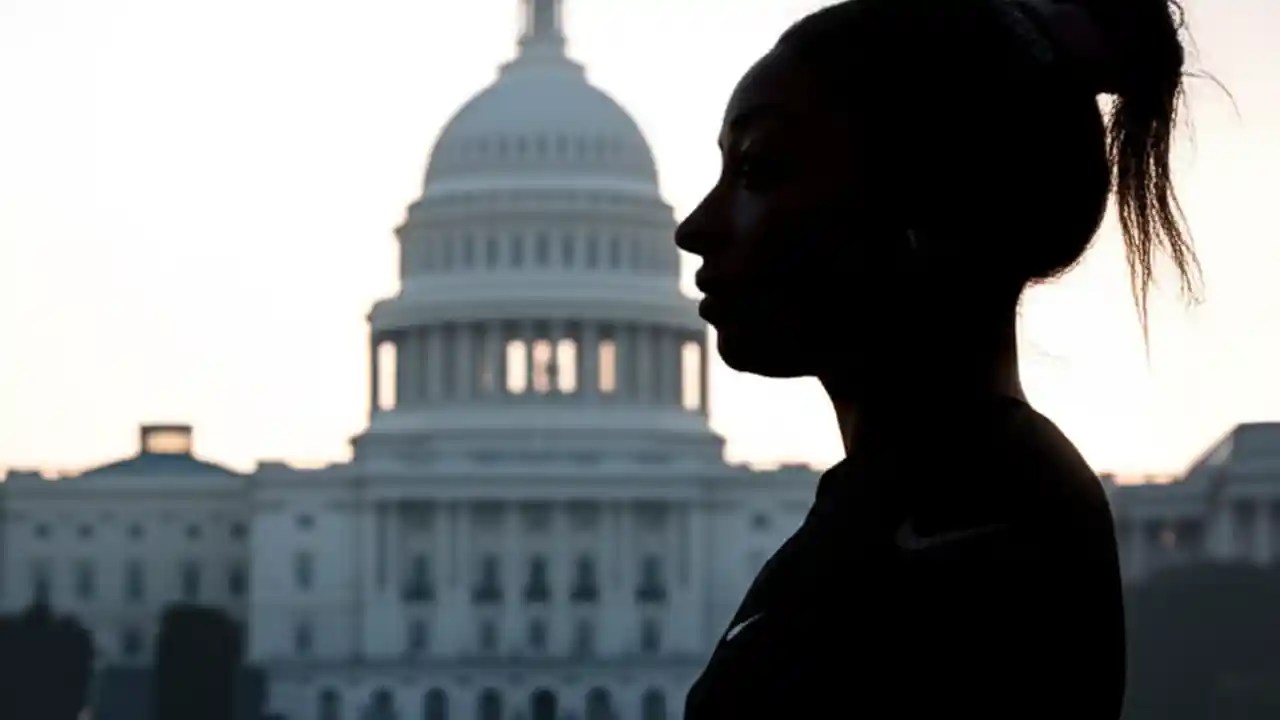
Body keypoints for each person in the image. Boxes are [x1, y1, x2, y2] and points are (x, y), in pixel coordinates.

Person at [675, 0, 1204, 717]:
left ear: (926, 206)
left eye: (757, 168)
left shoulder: (970, 529)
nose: (695, 227)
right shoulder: (936, 492)